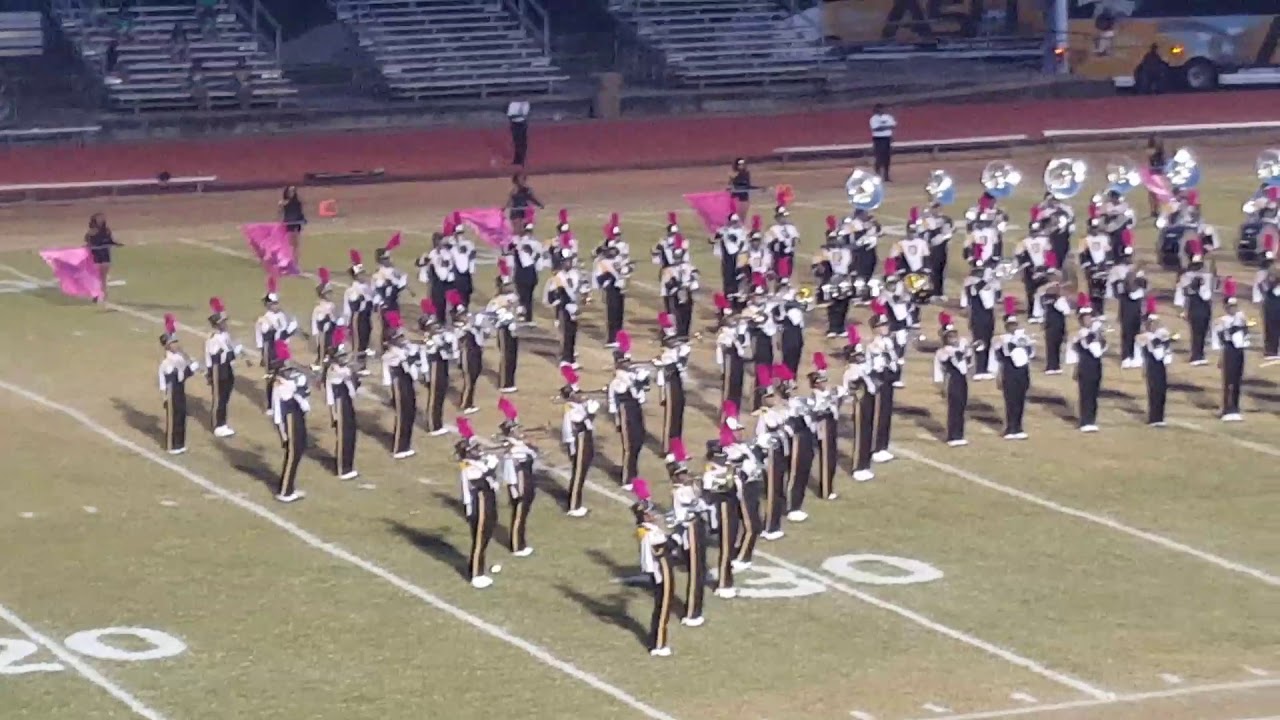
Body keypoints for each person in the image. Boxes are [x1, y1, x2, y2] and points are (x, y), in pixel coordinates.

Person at [631, 479, 675, 657]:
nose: (654, 515)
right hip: (660, 573)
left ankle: (656, 640)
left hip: (660, 571)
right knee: (663, 608)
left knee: (662, 607)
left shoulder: (648, 529)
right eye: (650, 513)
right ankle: (658, 644)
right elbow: (666, 546)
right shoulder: (649, 533)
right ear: (645, 517)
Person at [458, 419, 500, 588]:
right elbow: (479, 481)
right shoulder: (467, 465)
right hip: (479, 503)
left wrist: (491, 468)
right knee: (480, 538)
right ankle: (476, 574)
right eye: (474, 449)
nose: (479, 450)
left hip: (486, 500)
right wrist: (489, 468)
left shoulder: (476, 463)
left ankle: (478, 569)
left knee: (486, 535)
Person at [269, 340, 309, 503]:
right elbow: (278, 413)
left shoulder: (285, 380)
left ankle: (289, 486)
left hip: (296, 415)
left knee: (298, 450)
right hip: (289, 419)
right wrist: (283, 435)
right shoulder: (280, 384)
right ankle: (285, 491)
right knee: (293, 454)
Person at [497, 399, 536, 557]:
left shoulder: (518, 444)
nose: (519, 431)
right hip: (518, 484)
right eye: (515, 429)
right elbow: (508, 471)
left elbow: (533, 455)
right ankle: (516, 545)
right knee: (519, 515)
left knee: (523, 514)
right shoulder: (511, 448)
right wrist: (513, 489)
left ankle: (521, 542)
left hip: (527, 480)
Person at [560, 366, 598, 518]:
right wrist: (590, 410)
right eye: (577, 393)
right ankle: (573, 505)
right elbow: (576, 424)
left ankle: (576, 501)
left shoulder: (577, 405)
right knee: (578, 473)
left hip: (585, 437)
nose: (581, 395)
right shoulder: (570, 408)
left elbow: (589, 422)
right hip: (579, 440)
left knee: (583, 470)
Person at [158, 315, 198, 455]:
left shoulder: (178, 357)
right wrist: (189, 370)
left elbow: (183, 372)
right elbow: (173, 378)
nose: (177, 344)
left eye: (176, 342)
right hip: (172, 391)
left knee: (181, 414)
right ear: (168, 345)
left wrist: (189, 363)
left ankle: (180, 443)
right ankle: (171, 445)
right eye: (173, 343)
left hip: (180, 390)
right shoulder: (167, 362)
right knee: (173, 417)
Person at [1066, 294, 1107, 432]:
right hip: (1085, 365)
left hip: (1096, 365)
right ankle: (1085, 420)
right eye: (1086, 318)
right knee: (1086, 393)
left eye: (1090, 317)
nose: (1089, 320)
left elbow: (1102, 348)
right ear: (1081, 320)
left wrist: (1100, 336)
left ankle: (1092, 419)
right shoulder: (1080, 334)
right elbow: (1084, 344)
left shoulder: (1094, 331)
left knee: (1094, 393)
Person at [204, 297, 244, 438]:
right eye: (223, 322)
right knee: (219, 398)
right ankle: (217, 425)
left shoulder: (223, 335)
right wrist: (234, 353)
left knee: (225, 397)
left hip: (226, 369)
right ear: (217, 324)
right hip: (218, 371)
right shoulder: (214, 338)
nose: (225, 323)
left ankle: (222, 423)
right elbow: (217, 359)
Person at [323, 327, 359, 480]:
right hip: (339, 402)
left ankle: (347, 464)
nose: (345, 358)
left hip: (346, 399)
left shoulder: (341, 367)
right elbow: (348, 373)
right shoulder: (334, 370)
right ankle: (342, 468)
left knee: (351, 432)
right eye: (342, 356)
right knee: (344, 434)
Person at [1212, 278, 1249, 422]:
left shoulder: (1241, 318)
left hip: (1240, 350)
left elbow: (1245, 334)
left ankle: (1236, 407)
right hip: (1229, 350)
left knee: (1238, 380)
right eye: (1231, 307)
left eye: (1235, 306)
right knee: (1228, 381)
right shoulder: (1221, 321)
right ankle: (1227, 408)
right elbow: (1220, 338)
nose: (1234, 309)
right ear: (1226, 308)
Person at [932, 313, 971, 447]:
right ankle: (953, 435)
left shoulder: (959, 347)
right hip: (952, 380)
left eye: (955, 335)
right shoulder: (943, 351)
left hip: (962, 379)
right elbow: (952, 359)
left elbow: (968, 364)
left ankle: (959, 434)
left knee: (961, 406)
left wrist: (968, 351)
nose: (954, 338)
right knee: (954, 408)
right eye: (950, 336)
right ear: (945, 338)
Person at [1138, 298, 1172, 427]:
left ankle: (1160, 416)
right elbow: (1153, 348)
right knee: (1154, 391)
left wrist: (1165, 341)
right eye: (1151, 323)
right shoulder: (1144, 336)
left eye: (1156, 323)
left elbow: (1166, 351)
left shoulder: (1160, 334)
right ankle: (1153, 417)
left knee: (1162, 390)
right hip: (1151, 366)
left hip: (1161, 366)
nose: (1154, 325)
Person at [84, 212, 121, 303]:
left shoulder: (106, 230)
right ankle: (98, 294)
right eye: (99, 218)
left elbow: (110, 241)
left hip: (105, 255)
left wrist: (116, 244)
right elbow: (88, 243)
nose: (101, 220)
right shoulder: (92, 232)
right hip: (96, 255)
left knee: (102, 277)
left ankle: (102, 294)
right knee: (97, 276)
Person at [869, 103, 896, 181]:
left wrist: (882, 127)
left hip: (887, 138)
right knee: (879, 157)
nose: (881, 110)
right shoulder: (873, 118)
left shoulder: (888, 117)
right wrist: (887, 127)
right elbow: (875, 128)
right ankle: (877, 176)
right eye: (879, 109)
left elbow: (893, 126)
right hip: (878, 139)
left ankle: (886, 176)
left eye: (882, 108)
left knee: (887, 158)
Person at [279, 186, 306, 257]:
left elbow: (301, 211)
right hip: (288, 223)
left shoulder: (298, 202)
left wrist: (302, 219)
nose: (292, 193)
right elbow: (280, 213)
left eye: (293, 191)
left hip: (296, 223)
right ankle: (288, 261)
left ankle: (295, 263)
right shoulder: (283, 203)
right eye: (290, 191)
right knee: (288, 243)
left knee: (295, 244)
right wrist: (280, 222)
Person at [1146, 134, 1167, 218]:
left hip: (1158, 173)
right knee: (1153, 193)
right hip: (1155, 173)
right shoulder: (1154, 151)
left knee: (1156, 193)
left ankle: (1156, 210)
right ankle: (1154, 211)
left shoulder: (1160, 152)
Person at [507, 98, 530, 166]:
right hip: (515, 123)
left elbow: (526, 114)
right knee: (518, 142)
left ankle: (521, 159)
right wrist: (521, 115)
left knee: (523, 142)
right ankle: (518, 159)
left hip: (522, 123)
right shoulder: (513, 104)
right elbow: (510, 116)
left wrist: (520, 116)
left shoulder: (526, 103)